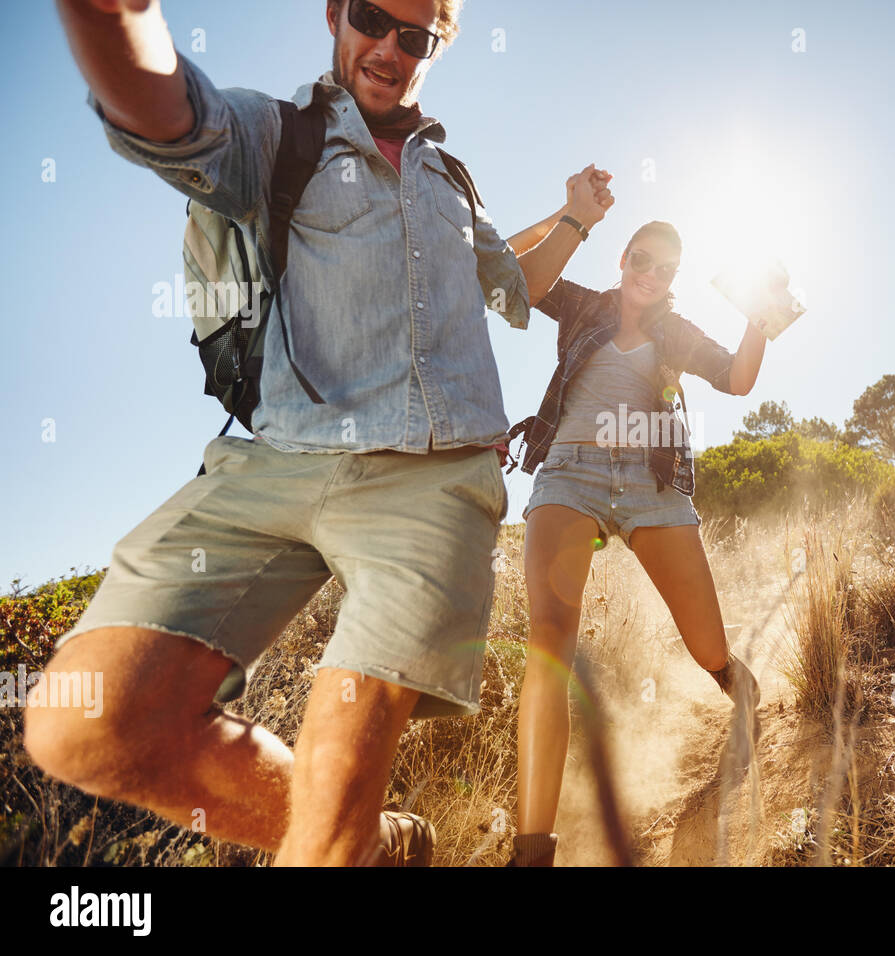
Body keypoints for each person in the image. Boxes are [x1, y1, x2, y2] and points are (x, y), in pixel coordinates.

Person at [27, 0, 612, 866]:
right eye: (374, 16)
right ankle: (376, 845)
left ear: (436, 48)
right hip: (273, 461)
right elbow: (166, 112)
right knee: (84, 722)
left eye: (416, 36)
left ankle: (344, 833)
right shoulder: (274, 133)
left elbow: (510, 286)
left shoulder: (451, 180)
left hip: (430, 479)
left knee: (335, 788)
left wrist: (575, 222)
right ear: (336, 13)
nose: (389, 47)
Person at [505, 220, 772, 866]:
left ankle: (738, 690)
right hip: (570, 473)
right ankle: (533, 849)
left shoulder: (676, 332)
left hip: (652, 487)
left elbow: (738, 379)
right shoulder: (579, 304)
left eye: (665, 269)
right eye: (642, 259)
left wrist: (760, 319)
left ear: (674, 279)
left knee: (706, 643)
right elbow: (509, 266)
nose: (650, 275)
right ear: (624, 257)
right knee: (550, 645)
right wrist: (568, 217)